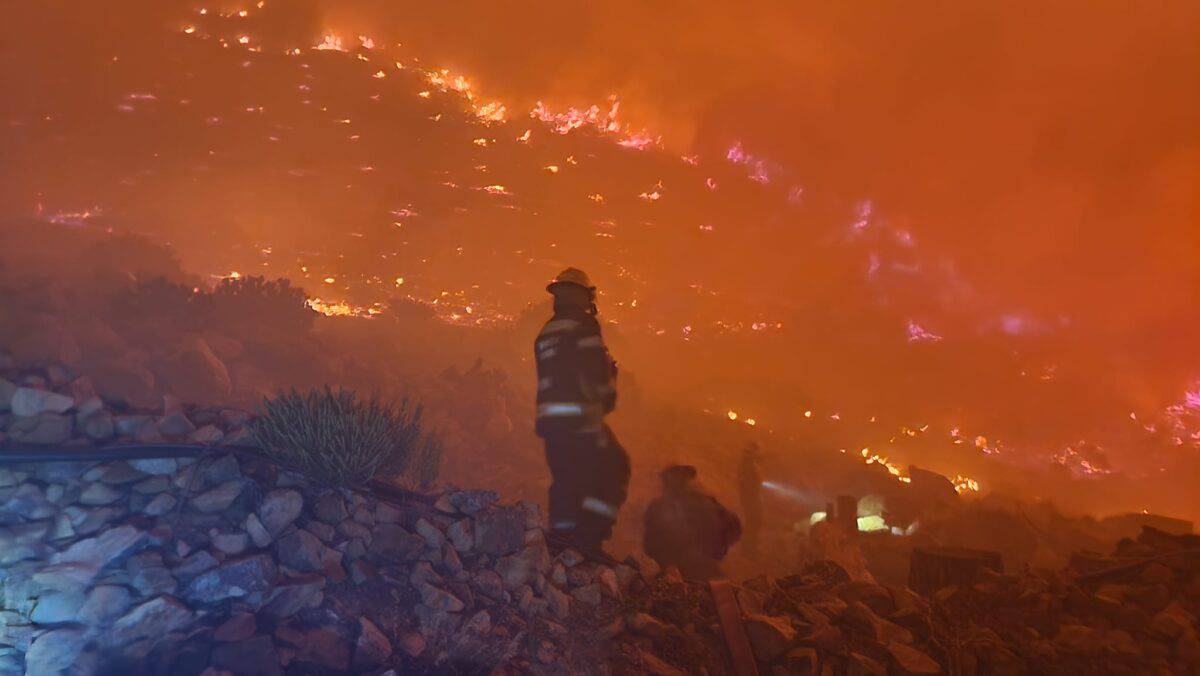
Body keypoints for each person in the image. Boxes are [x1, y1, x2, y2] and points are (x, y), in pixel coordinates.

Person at [534, 267, 630, 553]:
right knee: (614, 468)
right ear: (583, 296)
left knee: (566, 479)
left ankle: (561, 541)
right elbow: (595, 376)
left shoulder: (546, 332)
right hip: (581, 419)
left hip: (551, 422)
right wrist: (610, 383)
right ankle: (590, 541)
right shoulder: (584, 326)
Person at [643, 465, 742, 580]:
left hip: (690, 571)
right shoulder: (660, 507)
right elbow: (650, 545)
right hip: (689, 571)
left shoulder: (703, 504)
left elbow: (650, 546)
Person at [737, 441, 764, 555]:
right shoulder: (747, 464)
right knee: (754, 521)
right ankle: (749, 547)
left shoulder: (748, 463)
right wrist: (753, 496)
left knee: (753, 521)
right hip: (751, 497)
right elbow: (748, 483)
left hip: (751, 496)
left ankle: (749, 545)